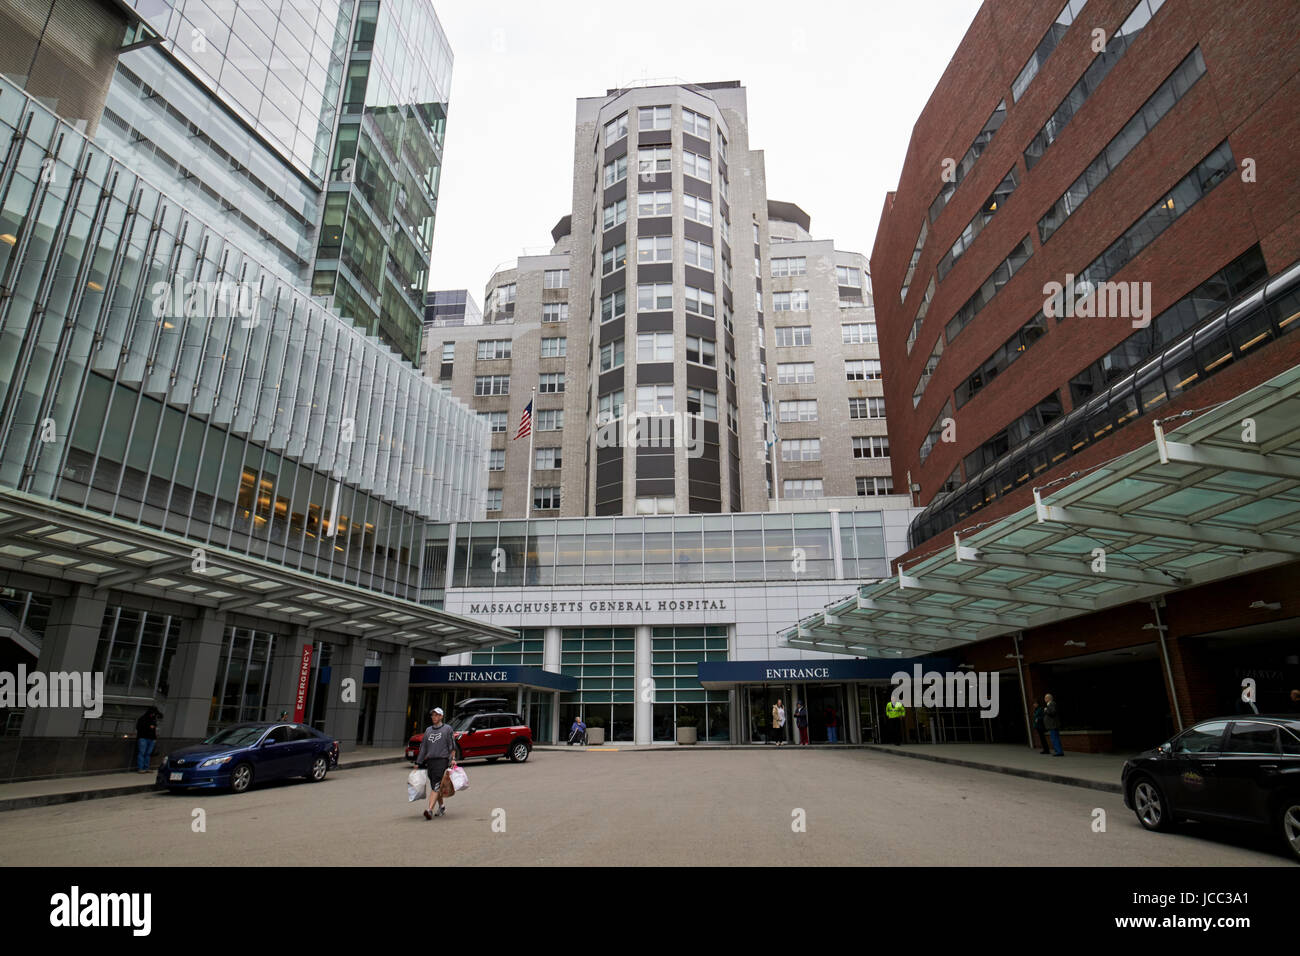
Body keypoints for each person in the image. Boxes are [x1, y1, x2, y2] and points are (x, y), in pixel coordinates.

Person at [415, 707, 459, 819]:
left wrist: (453, 758)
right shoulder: (428, 730)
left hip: (442, 760)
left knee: (436, 786)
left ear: (441, 716)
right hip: (430, 761)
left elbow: (452, 746)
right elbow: (424, 747)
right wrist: (418, 762)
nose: (434, 717)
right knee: (435, 785)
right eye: (433, 715)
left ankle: (429, 810)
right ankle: (442, 806)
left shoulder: (447, 729)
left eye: (437, 715)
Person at [135, 707, 159, 773]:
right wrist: (149, 728)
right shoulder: (142, 719)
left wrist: (155, 738)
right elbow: (138, 728)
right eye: (153, 713)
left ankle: (146, 768)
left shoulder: (153, 720)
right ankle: (141, 768)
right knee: (142, 753)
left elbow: (154, 730)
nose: (153, 715)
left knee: (147, 754)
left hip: (150, 738)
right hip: (144, 738)